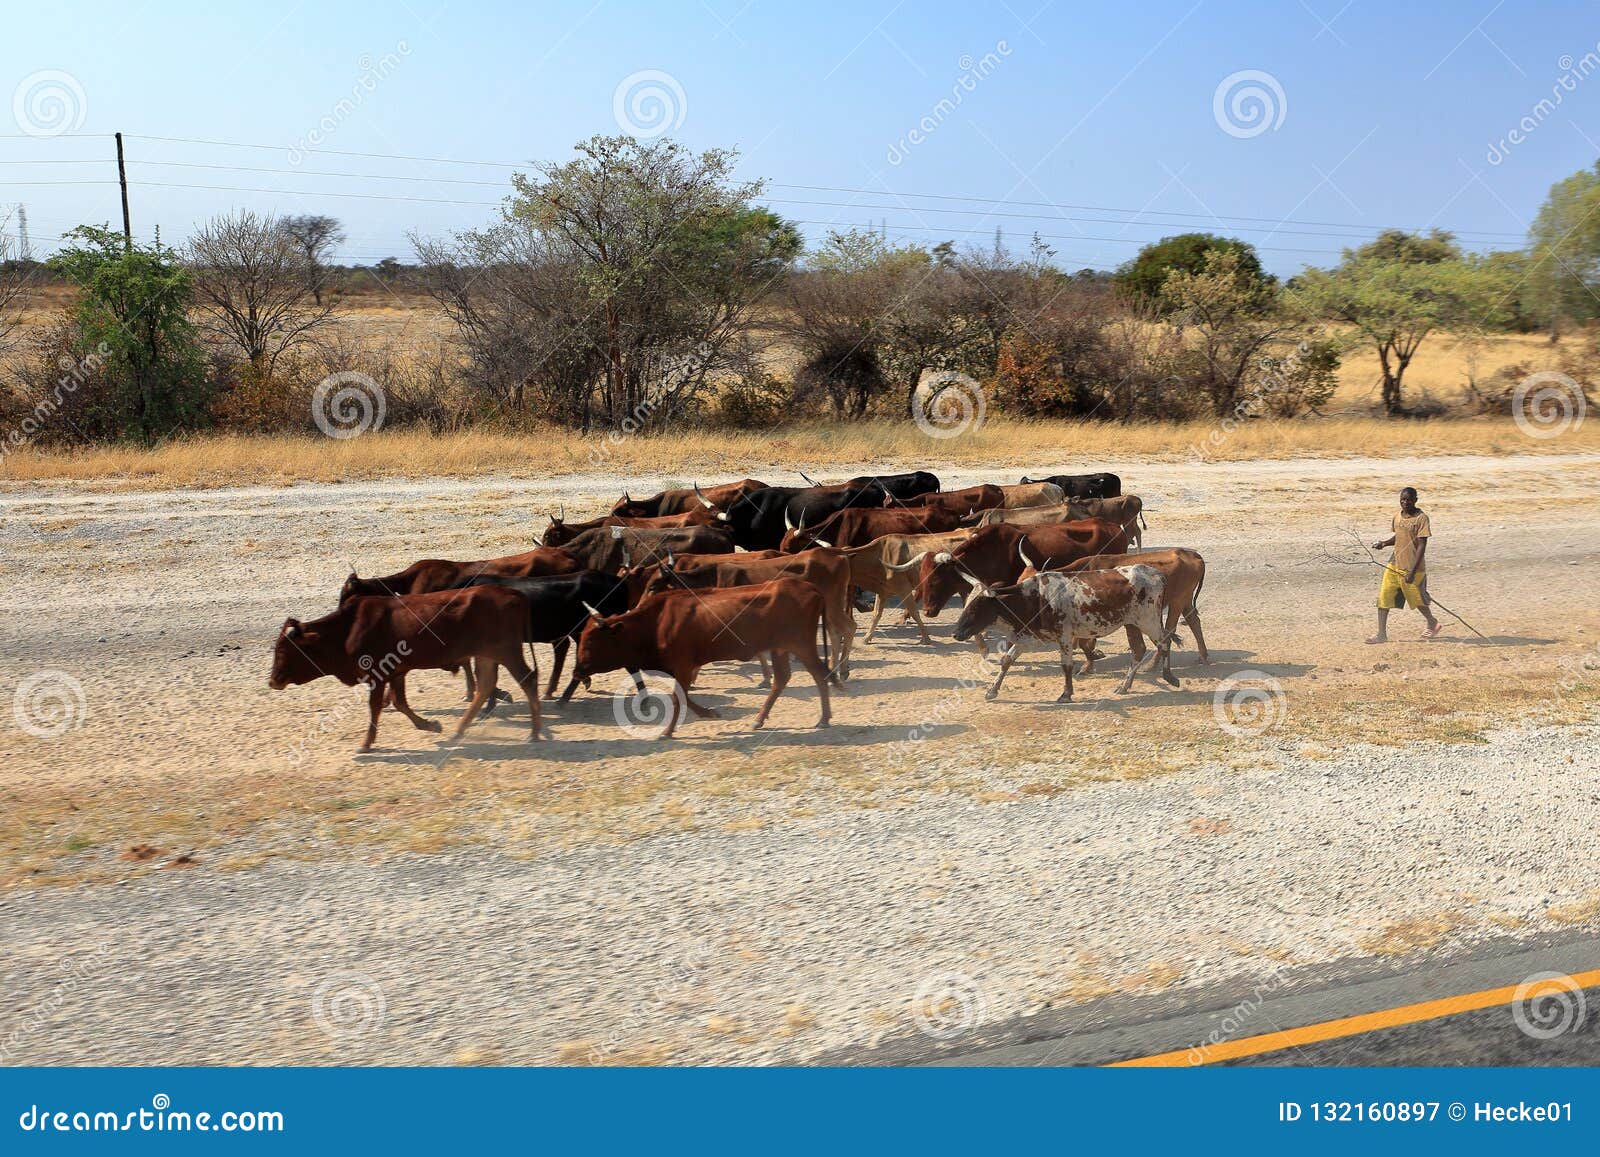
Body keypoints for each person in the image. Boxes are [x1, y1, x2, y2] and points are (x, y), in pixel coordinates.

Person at [1367, 486, 1441, 643]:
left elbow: (1422, 545)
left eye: (1408, 499)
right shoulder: (1397, 517)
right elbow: (1399, 536)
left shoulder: (1421, 519)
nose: (1405, 502)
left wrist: (1412, 571)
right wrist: (1384, 543)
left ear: (1415, 500)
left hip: (1413, 568)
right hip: (1394, 564)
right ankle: (1381, 634)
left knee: (1417, 600)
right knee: (1384, 598)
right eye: (1402, 499)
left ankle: (1432, 622)